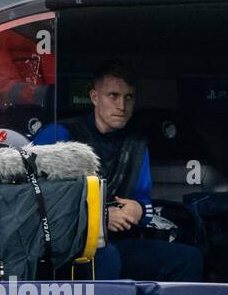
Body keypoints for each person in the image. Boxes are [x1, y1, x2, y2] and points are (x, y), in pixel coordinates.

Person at [34, 59, 204, 281]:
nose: (122, 106)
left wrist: (138, 210)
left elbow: (144, 203)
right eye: (113, 96)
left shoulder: (135, 145)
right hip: (65, 246)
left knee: (187, 258)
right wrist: (100, 218)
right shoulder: (60, 134)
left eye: (129, 97)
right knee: (107, 257)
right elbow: (37, 201)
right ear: (95, 97)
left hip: (116, 243)